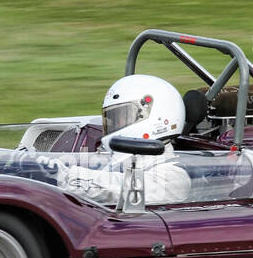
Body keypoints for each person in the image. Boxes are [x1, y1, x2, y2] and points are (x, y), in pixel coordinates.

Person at [57, 74, 192, 206]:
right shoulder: (123, 158)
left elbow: (120, 188)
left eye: (121, 116)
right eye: (111, 118)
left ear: (157, 117)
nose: (113, 123)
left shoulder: (175, 177)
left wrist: (63, 176)